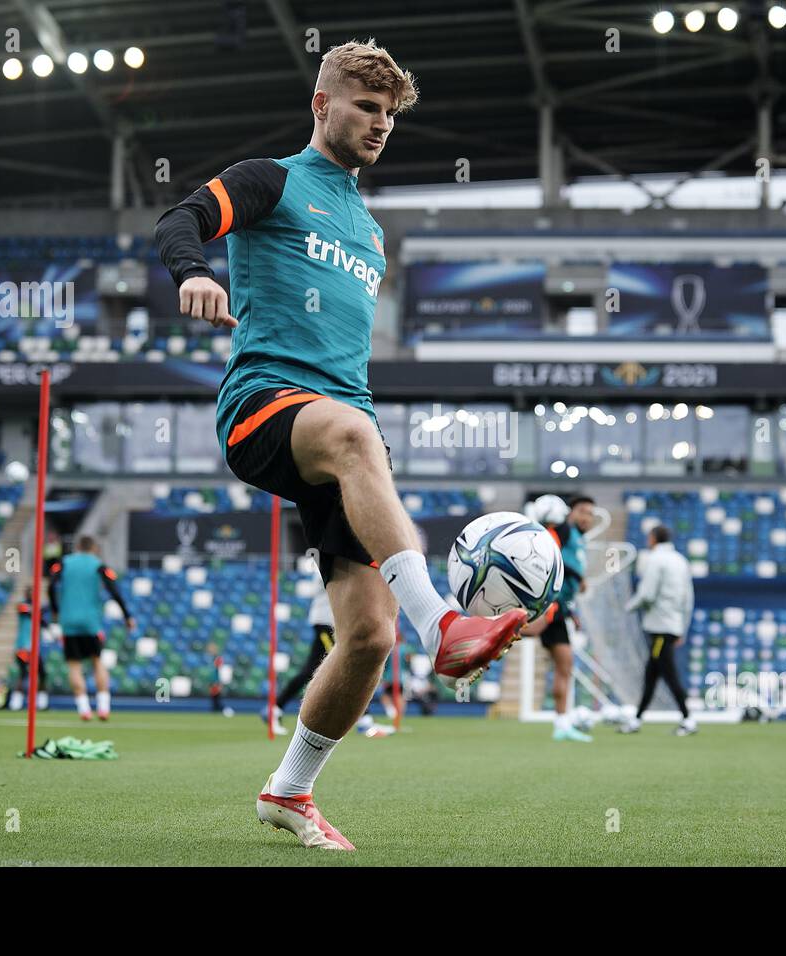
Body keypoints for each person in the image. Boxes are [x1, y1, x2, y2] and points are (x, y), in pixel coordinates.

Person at [154, 39, 526, 850]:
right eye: (366, 106)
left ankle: (290, 790)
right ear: (323, 105)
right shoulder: (273, 179)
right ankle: (444, 626)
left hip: (347, 433)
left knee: (367, 637)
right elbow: (181, 216)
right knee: (359, 437)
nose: (380, 124)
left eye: (390, 113)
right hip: (265, 406)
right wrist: (194, 270)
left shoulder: (370, 228)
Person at [521, 494, 596, 742]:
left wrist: (571, 611)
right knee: (527, 631)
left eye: (590, 513)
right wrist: (578, 576)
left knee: (565, 665)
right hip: (548, 603)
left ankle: (562, 724)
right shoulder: (563, 530)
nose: (587, 517)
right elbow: (551, 556)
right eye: (583, 511)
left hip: (561, 608)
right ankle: (486, 630)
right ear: (570, 512)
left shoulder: (579, 540)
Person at [618, 524, 696, 736]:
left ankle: (688, 719)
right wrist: (682, 629)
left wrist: (627, 607)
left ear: (653, 539)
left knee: (669, 675)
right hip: (672, 626)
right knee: (651, 675)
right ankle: (636, 720)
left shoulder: (655, 560)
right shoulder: (681, 560)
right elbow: (688, 600)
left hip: (660, 627)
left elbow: (647, 594)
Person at [48, 534, 135, 721]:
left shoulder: (64, 562)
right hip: (90, 622)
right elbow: (114, 590)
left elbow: (51, 585)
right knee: (97, 662)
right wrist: (127, 616)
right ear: (94, 548)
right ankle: (103, 708)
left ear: (77, 546)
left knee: (74, 666)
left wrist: (55, 609)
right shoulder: (98, 565)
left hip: (68, 621)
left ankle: (84, 709)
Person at [267, 565, 336, 736]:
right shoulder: (327, 563)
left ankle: (276, 708)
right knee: (342, 665)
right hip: (325, 623)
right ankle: (365, 720)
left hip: (330, 623)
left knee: (311, 670)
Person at [9, 585, 51, 712]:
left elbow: (44, 623)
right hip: (23, 647)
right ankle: (15, 703)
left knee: (42, 674)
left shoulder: (38, 610)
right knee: (23, 674)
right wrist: (40, 610)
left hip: (34, 648)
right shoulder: (22, 605)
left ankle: (42, 702)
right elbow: (28, 612)